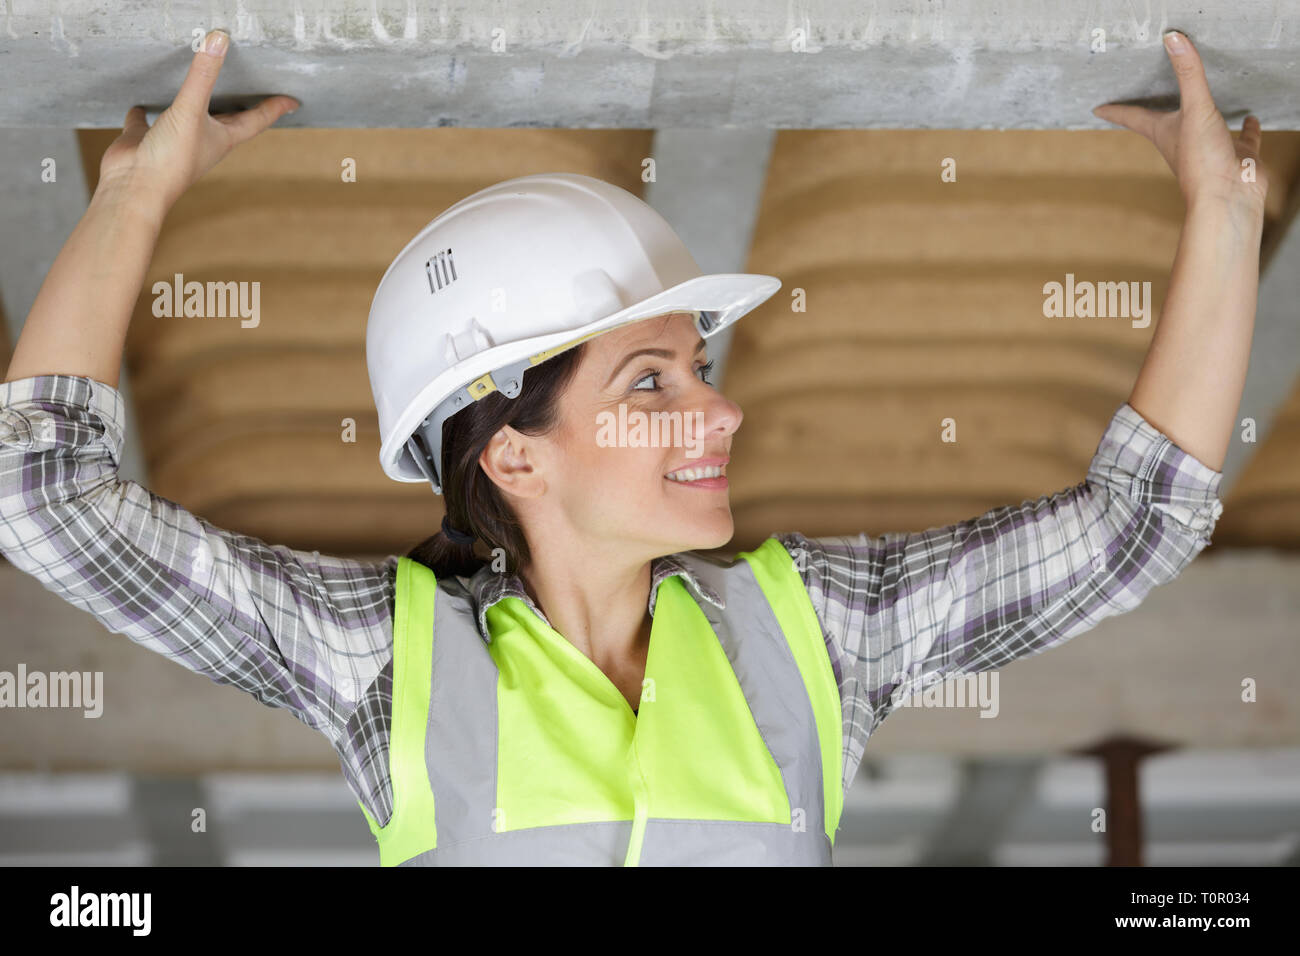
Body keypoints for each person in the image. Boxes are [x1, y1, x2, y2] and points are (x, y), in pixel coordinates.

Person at [0, 28, 1266, 866]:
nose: (718, 412)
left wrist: (1222, 209)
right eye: (651, 378)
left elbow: (1133, 522)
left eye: (698, 370)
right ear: (513, 455)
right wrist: (132, 194)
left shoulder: (815, 634)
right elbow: (42, 494)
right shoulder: (383, 661)